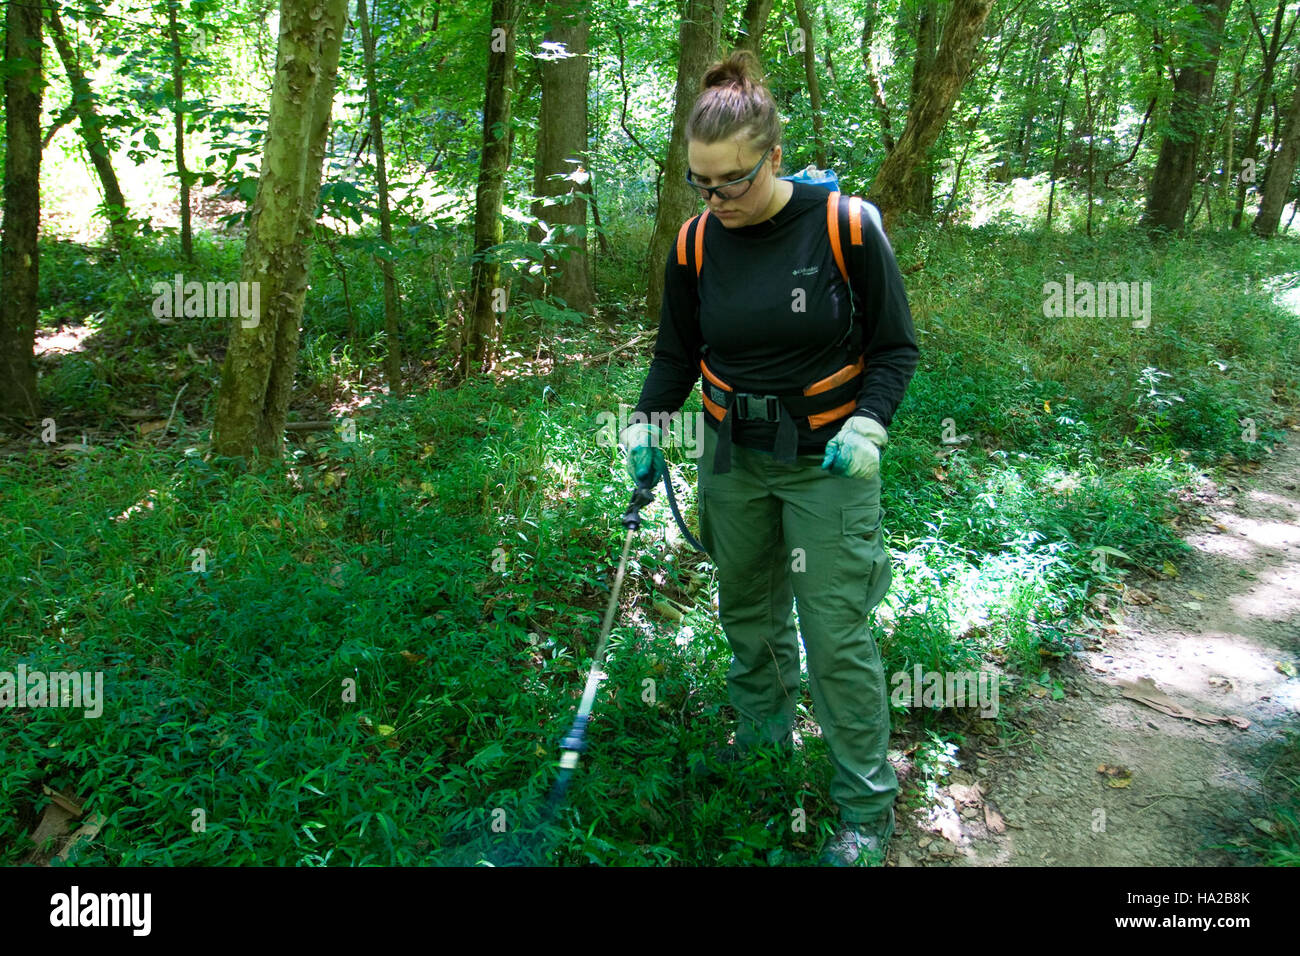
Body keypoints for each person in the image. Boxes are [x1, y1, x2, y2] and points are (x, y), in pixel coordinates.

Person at [620, 49, 918, 866]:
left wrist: (869, 428)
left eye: (732, 183)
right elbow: (676, 351)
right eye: (700, 184)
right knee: (748, 615)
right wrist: (647, 423)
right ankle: (762, 751)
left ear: (774, 159)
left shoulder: (844, 227)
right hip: (732, 459)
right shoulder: (693, 243)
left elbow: (896, 349)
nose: (717, 200)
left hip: (829, 463)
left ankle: (865, 807)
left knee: (836, 634)